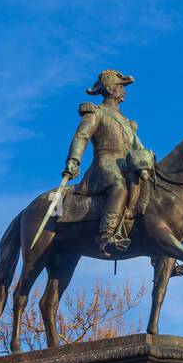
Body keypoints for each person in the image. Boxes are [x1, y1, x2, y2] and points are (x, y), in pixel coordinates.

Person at [62, 69, 154, 255]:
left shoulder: (127, 122)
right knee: (119, 186)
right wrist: (74, 159)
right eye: (121, 87)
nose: (124, 91)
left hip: (126, 164)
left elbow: (139, 148)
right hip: (105, 163)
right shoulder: (96, 113)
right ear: (111, 89)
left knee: (152, 190)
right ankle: (106, 235)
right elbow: (82, 136)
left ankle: (158, 249)